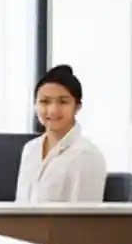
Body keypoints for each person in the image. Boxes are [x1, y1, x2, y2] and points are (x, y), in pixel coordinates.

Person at [15, 65, 107, 203]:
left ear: (77, 106)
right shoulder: (30, 149)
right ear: (35, 105)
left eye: (63, 102)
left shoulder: (86, 154)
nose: (52, 111)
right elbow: (19, 207)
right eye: (44, 101)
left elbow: (85, 220)